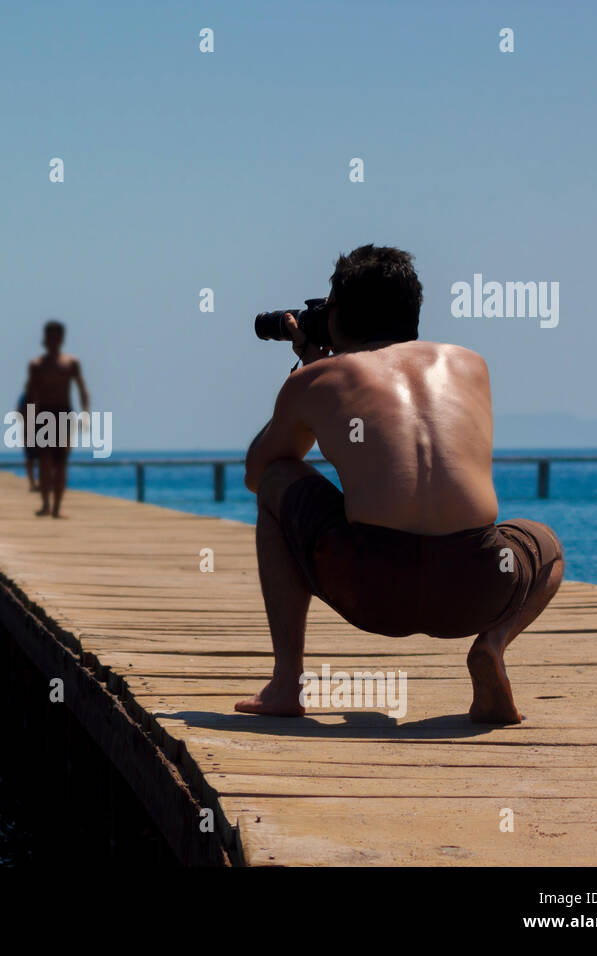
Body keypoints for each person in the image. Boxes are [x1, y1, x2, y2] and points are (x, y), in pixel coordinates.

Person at [236, 245, 564, 725]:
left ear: (339, 315)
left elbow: (257, 471)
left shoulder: (318, 377)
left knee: (278, 481)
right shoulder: (472, 364)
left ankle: (287, 682)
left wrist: (308, 364)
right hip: (476, 586)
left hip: (371, 587)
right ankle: (492, 645)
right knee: (545, 544)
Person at [24, 319, 89, 517]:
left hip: (64, 414)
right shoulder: (37, 365)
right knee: (44, 461)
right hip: (44, 414)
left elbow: (81, 389)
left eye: (56, 336)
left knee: (61, 463)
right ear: (45, 338)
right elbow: (32, 393)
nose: (53, 340)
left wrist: (85, 413)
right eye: (49, 336)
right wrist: (29, 420)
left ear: (62, 338)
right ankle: (45, 504)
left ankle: (57, 507)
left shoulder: (70, 363)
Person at [18, 391, 38, 491]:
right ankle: (33, 484)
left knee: (45, 458)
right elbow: (20, 413)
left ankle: (39, 483)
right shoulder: (26, 396)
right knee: (30, 458)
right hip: (30, 430)